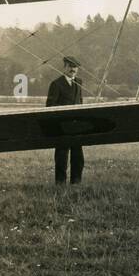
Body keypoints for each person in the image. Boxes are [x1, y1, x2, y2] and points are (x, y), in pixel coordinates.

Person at [46, 56, 85, 184]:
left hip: (77, 125)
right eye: (70, 66)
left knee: (78, 156)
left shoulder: (79, 82)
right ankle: (60, 182)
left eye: (75, 67)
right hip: (62, 126)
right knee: (62, 156)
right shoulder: (56, 84)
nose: (72, 69)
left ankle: (76, 182)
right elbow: (50, 106)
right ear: (64, 67)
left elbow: (80, 102)